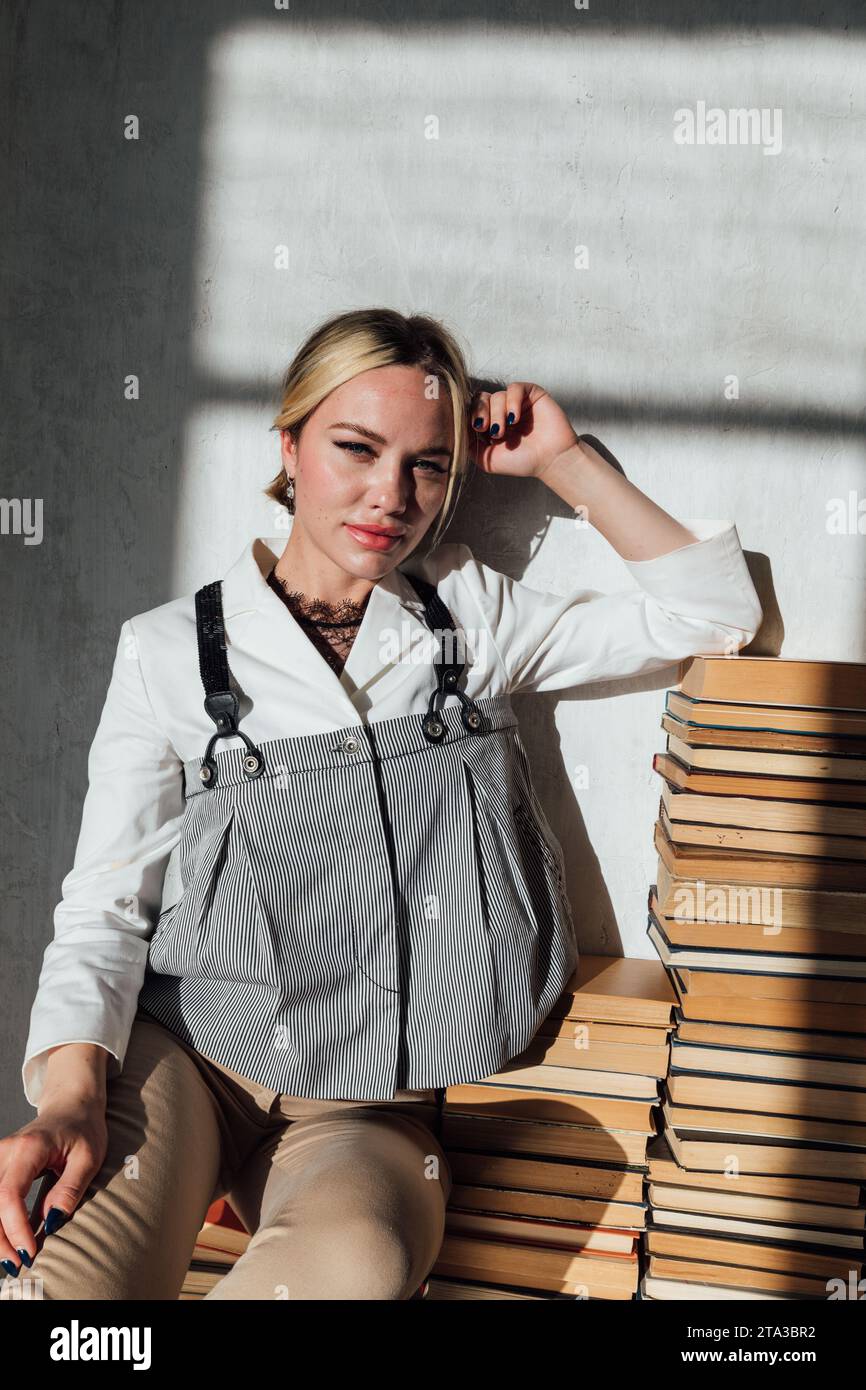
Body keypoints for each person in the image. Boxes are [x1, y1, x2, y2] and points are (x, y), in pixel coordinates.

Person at [1, 308, 762, 1299]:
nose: (388, 495)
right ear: (289, 442)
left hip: (368, 1105)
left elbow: (714, 612)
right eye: (354, 448)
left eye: (428, 465)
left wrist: (565, 461)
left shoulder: (469, 616)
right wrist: (68, 1096)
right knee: (53, 1293)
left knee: (360, 1265)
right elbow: (104, 902)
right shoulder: (168, 651)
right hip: (188, 1061)